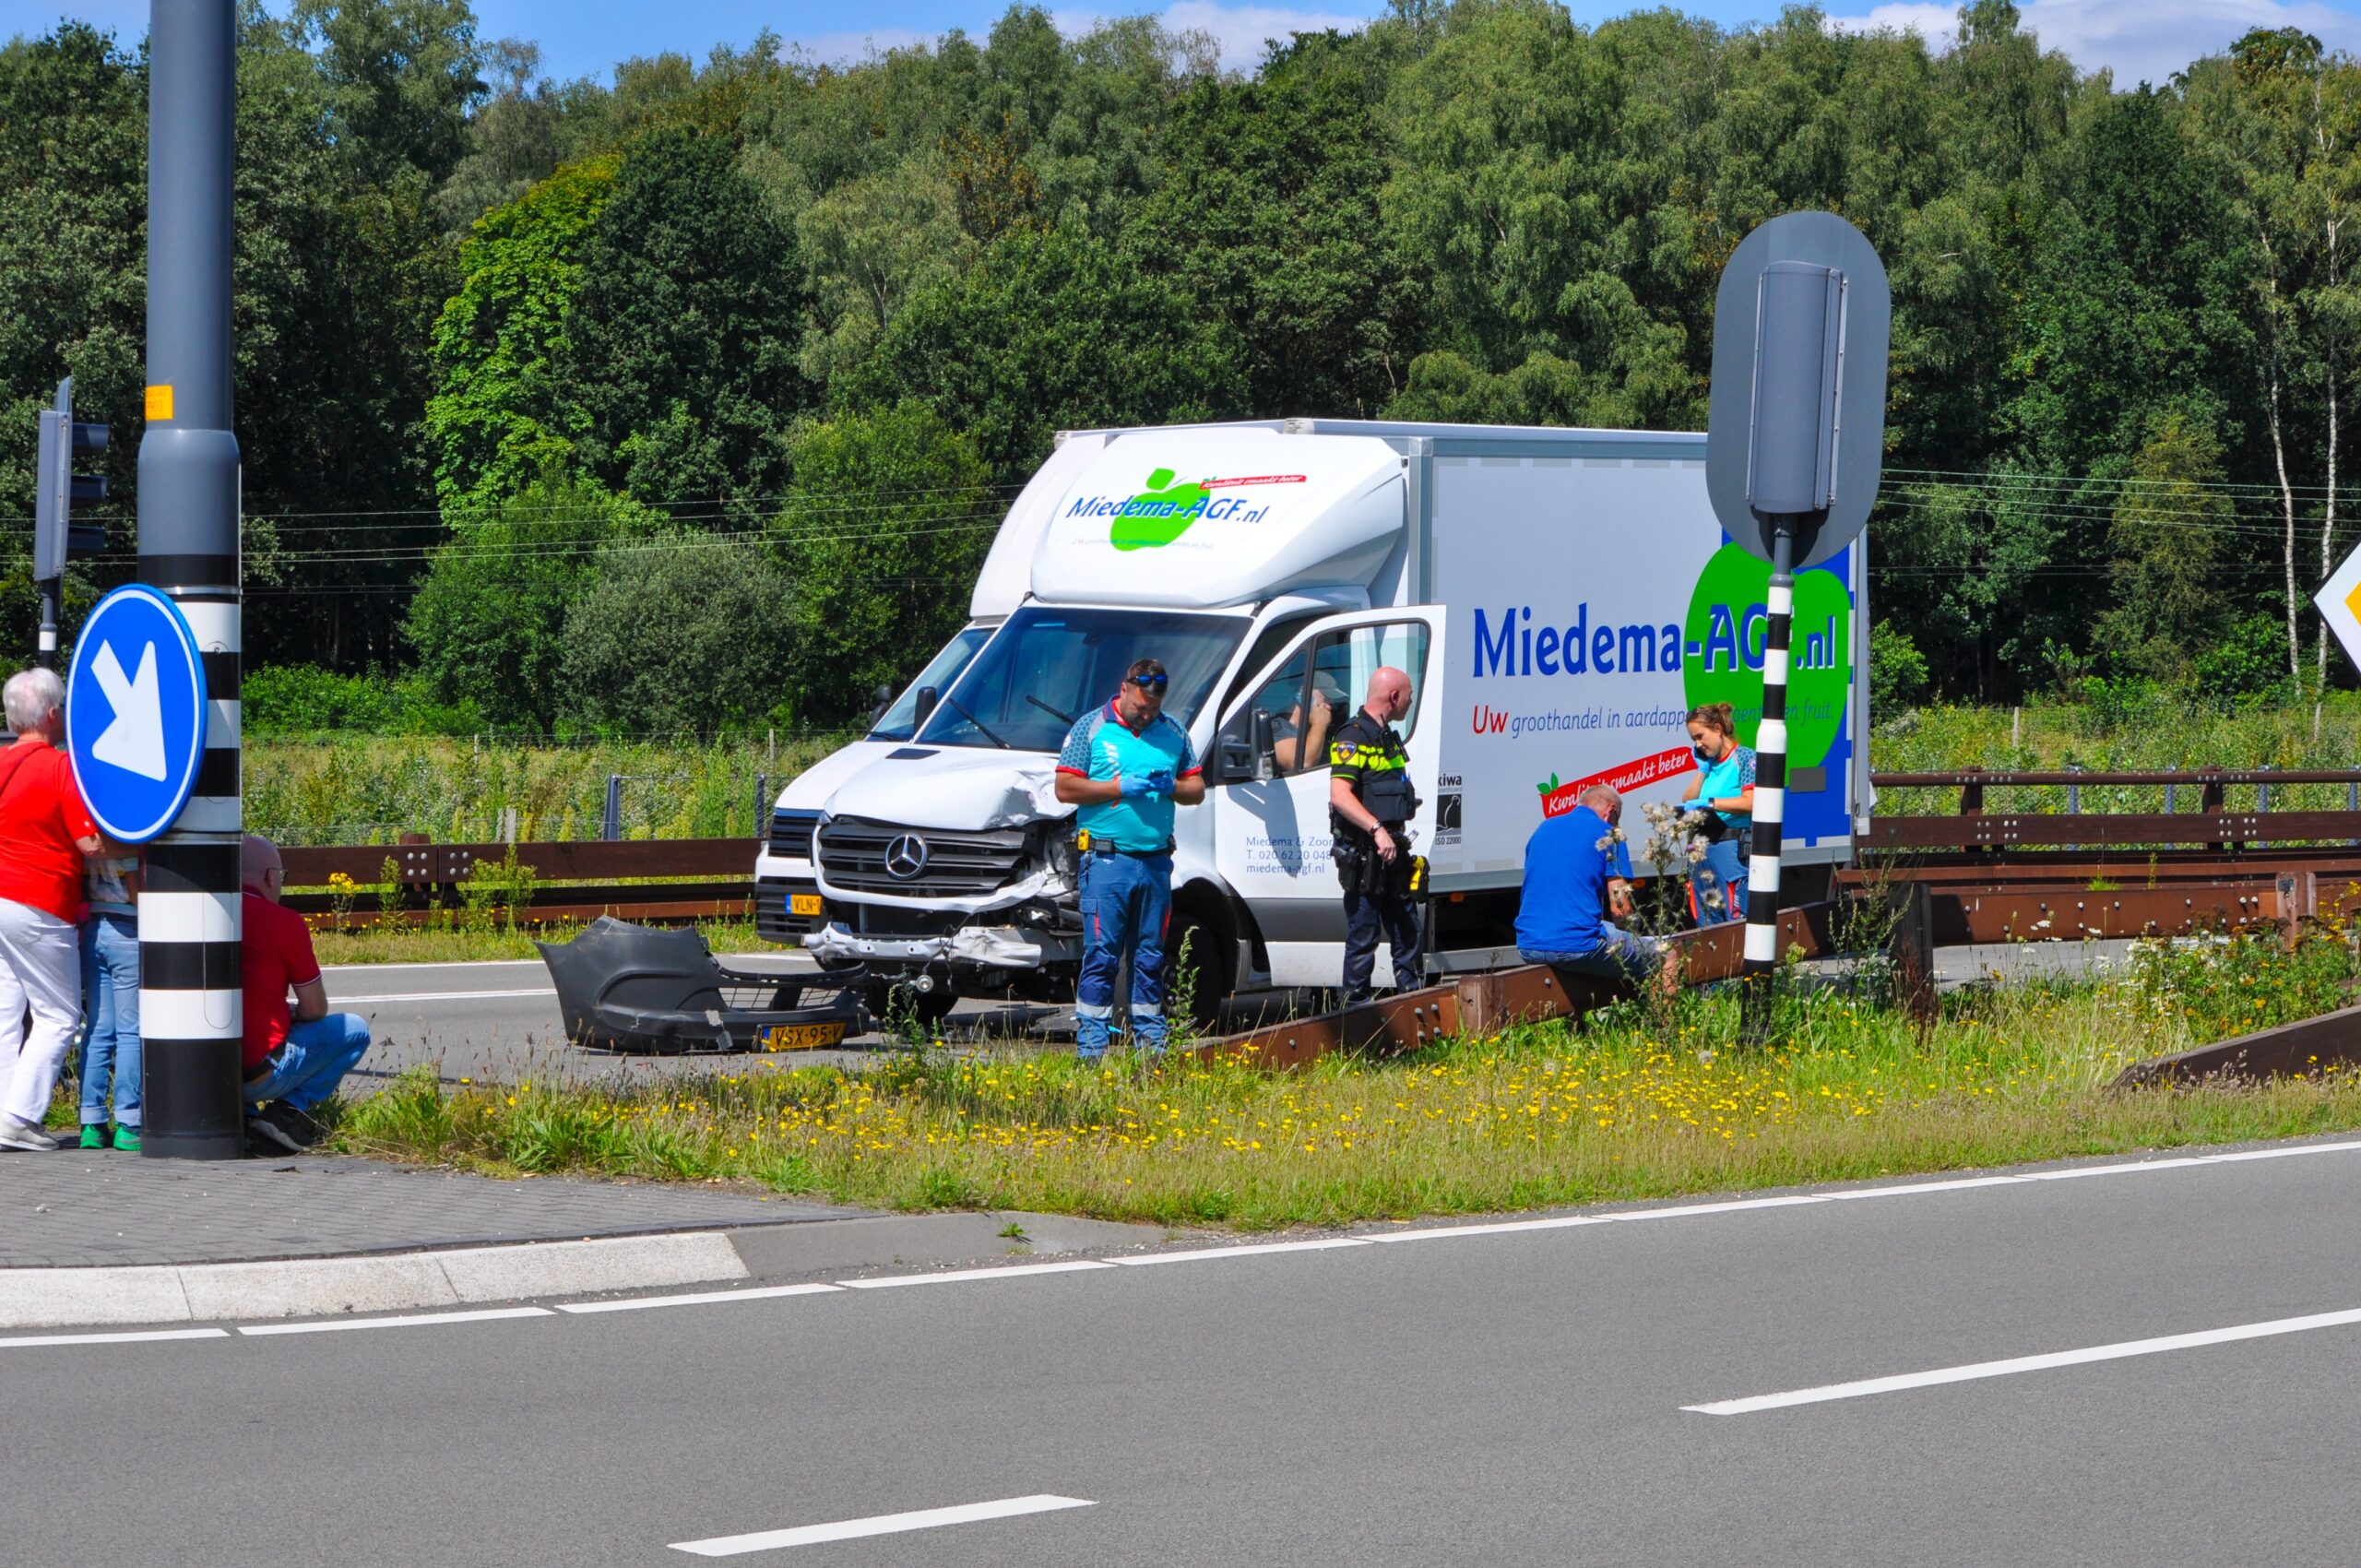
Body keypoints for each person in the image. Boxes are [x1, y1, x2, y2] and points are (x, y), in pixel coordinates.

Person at [1053, 658, 1205, 1059]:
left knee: (1150, 955)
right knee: (1102, 955)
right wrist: (1119, 787)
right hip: (1107, 860)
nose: (1147, 714)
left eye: (1154, 708)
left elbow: (1197, 789)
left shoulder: (1173, 732)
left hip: (1155, 861)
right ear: (1124, 689)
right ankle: (1092, 1050)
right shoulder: (1091, 727)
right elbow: (1065, 788)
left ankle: (1151, 1048)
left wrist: (1172, 786)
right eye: (1140, 706)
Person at [0, 668, 101, 1153]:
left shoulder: (2, 762)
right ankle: (19, 1117)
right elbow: (90, 843)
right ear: (54, 713)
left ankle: (3, 1111)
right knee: (59, 1015)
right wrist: (139, 846)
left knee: (5, 1010)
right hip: (40, 901)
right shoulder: (59, 767)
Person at [241, 835, 373, 1150]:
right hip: (260, 1074)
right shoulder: (284, 922)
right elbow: (315, 1008)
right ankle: (285, 1115)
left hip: (208, 1071)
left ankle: (242, 1116)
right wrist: (294, 1014)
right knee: (355, 1029)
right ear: (271, 877)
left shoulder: (207, 913)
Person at [1515, 783, 1674, 993]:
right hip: (1576, 946)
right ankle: (1660, 1015)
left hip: (1528, 944)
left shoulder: (1544, 828)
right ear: (1611, 811)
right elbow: (1620, 910)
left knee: (1601, 929)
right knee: (1667, 953)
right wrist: (1634, 939)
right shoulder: (1609, 834)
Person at [1329, 666, 1426, 1004]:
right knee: (1364, 938)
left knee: (1408, 932)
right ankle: (1355, 1013)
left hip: (1394, 853)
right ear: (1394, 696)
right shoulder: (1353, 736)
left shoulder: (1387, 737)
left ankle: (1414, 1004)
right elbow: (1340, 795)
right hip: (1366, 856)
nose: (1411, 701)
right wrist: (1376, 829)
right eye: (1409, 695)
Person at [77, 843, 141, 1150]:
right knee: (131, 1031)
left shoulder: (90, 839)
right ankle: (129, 1123)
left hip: (95, 927)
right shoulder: (125, 839)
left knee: (99, 1029)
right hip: (128, 930)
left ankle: (91, 1124)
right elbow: (137, 895)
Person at [1680, 701, 1756, 926]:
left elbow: (1752, 802)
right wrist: (1702, 771)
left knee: (1733, 917)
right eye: (1693, 739)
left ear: (1717, 728)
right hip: (1702, 850)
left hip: (1729, 846)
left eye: (1700, 736)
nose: (1698, 744)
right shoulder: (1709, 765)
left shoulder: (1744, 758)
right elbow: (1688, 800)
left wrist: (1712, 803)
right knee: (1705, 921)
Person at [1271, 677, 1342, 776]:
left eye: (1331, 702)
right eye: (1325, 698)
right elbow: (1302, 763)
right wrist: (1320, 724)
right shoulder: (1277, 728)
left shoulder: (1315, 732)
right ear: (1304, 692)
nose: (1329, 706)